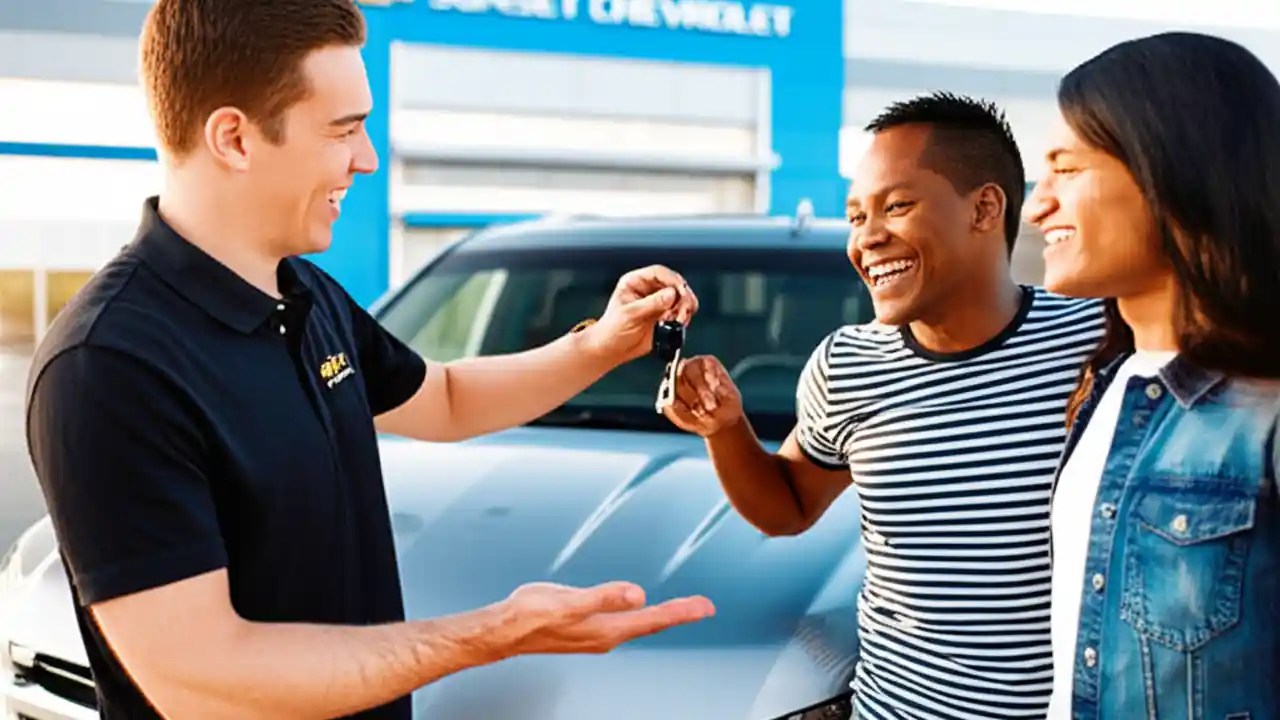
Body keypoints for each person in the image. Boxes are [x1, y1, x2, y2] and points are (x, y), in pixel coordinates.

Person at [22, 1, 714, 718]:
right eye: (343, 129)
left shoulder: (307, 293)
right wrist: (496, 633)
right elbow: (203, 681)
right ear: (234, 138)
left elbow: (443, 398)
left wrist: (601, 344)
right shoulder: (107, 365)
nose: (368, 157)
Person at [664, 92, 1105, 720]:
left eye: (896, 206)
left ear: (984, 208)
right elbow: (786, 507)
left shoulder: (1099, 342)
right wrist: (726, 429)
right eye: (854, 217)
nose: (867, 238)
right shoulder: (846, 365)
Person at [1022, 31, 1280, 720]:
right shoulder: (1108, 387)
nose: (1035, 206)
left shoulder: (1266, 410)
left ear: (1173, 169)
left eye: (1067, 170)